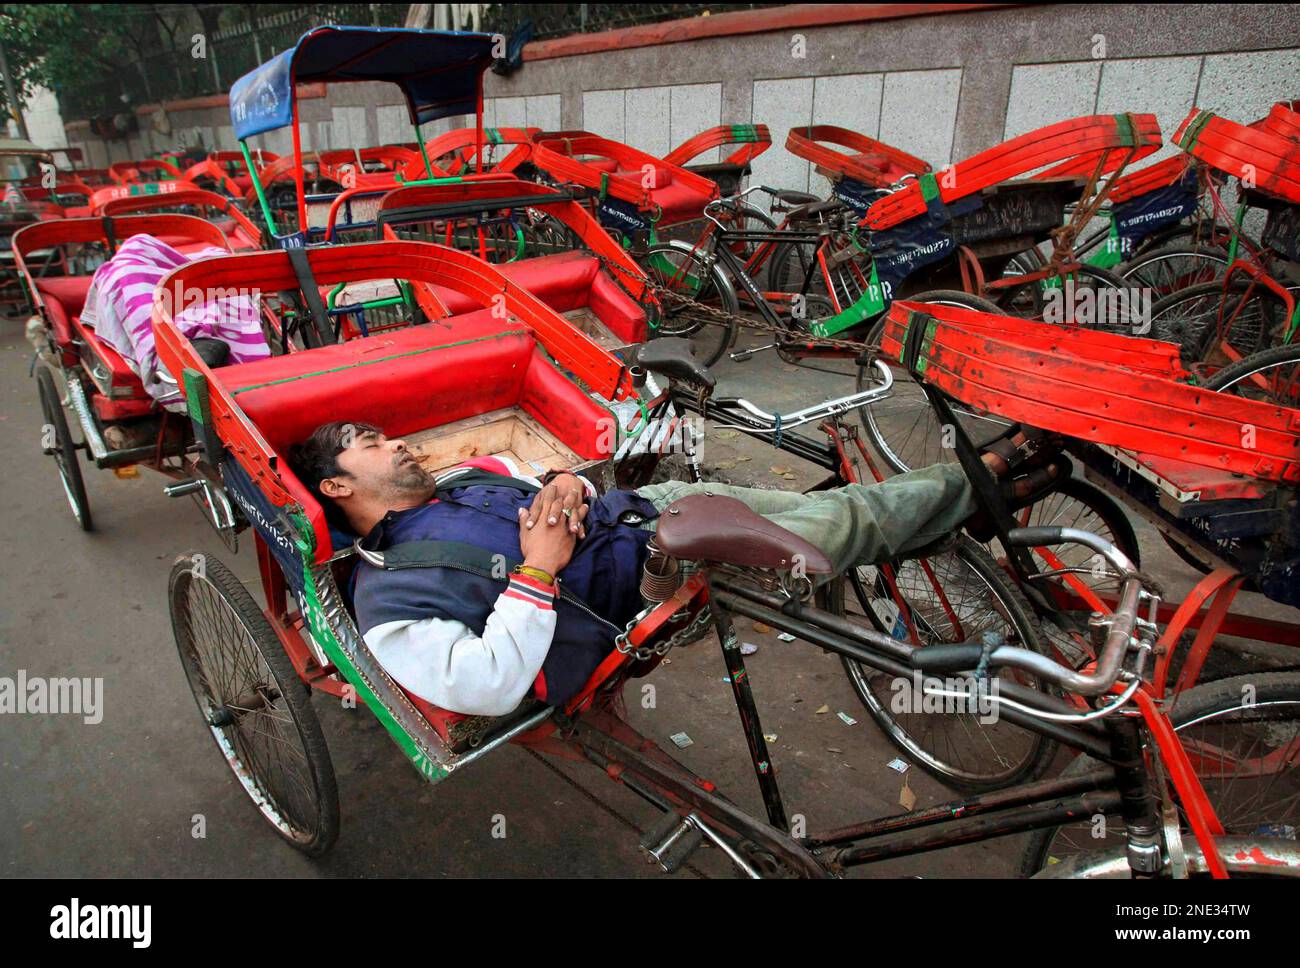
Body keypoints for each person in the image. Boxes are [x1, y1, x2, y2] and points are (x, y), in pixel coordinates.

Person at [290, 420, 1061, 717]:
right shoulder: (384, 591)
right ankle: (984, 479)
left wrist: (570, 483)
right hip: (647, 579)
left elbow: (559, 490)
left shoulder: (464, 476)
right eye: (366, 440)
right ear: (336, 486)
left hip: (651, 505)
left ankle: (969, 490)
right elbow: (483, 684)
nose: (394, 441)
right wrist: (535, 574)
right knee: (840, 523)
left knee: (838, 504)